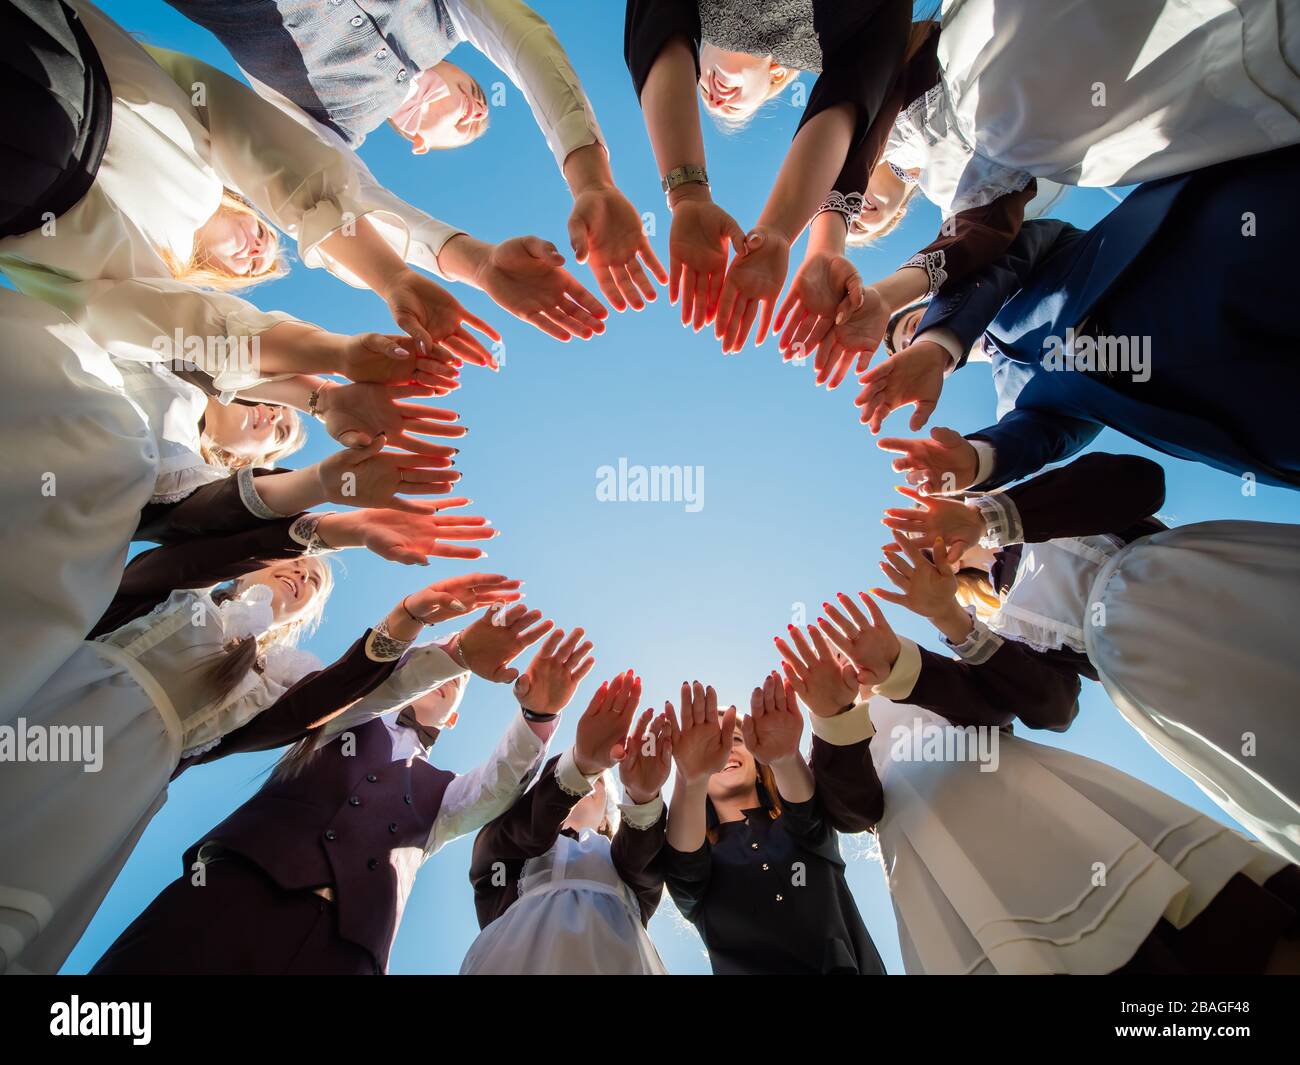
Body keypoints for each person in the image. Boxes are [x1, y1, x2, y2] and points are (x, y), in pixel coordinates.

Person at [0, 484, 516, 973]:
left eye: (313, 582)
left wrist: (414, 619)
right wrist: (334, 528)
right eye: (293, 564)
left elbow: (329, 696)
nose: (301, 576)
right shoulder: (182, 594)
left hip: (117, 794)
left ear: (309, 614)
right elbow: (187, 553)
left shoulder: (266, 685)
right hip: (39, 718)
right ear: (250, 569)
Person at [851, 452, 1300, 865]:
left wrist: (983, 517)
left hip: (1202, 580)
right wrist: (948, 617)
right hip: (1160, 677)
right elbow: (1053, 709)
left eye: (918, 519)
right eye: (915, 547)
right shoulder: (1007, 625)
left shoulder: (1036, 504)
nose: (924, 537)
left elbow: (1142, 482)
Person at [0, 0, 500, 371]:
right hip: (57, 49)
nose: (261, 247)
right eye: (269, 236)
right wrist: (401, 274)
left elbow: (197, 331)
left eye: (253, 266)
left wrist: (330, 370)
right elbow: (289, 168)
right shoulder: (208, 154)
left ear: (219, 278)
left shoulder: (159, 280)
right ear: (251, 203)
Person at [91, 604, 569, 975]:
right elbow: (370, 693)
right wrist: (455, 653)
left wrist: (538, 718)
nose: (451, 682)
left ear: (454, 719)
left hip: (346, 951)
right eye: (447, 668)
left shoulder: (444, 796)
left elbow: (499, 785)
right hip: (233, 896)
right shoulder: (339, 713)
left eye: (461, 682)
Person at [167, 0, 664, 319]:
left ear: (418, 144)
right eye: (478, 95)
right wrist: (591, 181)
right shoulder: (443, 15)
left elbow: (345, 199)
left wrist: (479, 263)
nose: (476, 108)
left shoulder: (322, 124)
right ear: (452, 65)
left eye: (467, 126)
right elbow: (525, 39)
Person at [851, 142, 1300, 489]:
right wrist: (975, 462)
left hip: (1221, 251)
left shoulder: (1011, 264)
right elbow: (1048, 439)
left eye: (911, 326)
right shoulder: (1017, 400)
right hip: (1250, 405)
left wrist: (935, 345)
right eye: (905, 346)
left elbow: (1002, 259)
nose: (911, 342)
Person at [861, 697, 1300, 974]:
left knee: (1212, 928)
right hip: (934, 855)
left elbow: (1015, 702)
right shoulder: (833, 754)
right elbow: (850, 806)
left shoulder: (918, 681)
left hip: (1036, 798)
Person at [624, 0, 912, 348]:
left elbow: (659, 19)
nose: (715, 99)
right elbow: (853, 93)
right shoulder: (844, 35)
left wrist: (686, 192)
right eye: (735, 106)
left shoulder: (706, 14)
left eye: (699, 86)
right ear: (776, 76)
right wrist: (780, 231)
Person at [660, 672, 885, 975]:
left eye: (736, 740)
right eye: (712, 745)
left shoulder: (801, 830)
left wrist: (784, 757)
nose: (725, 751)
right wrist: (690, 777)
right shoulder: (700, 862)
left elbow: (805, 811)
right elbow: (684, 865)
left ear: (756, 764)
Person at [462, 669, 672, 974]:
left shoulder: (625, 867)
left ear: (607, 813)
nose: (585, 789)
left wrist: (643, 794)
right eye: (581, 782)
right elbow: (519, 832)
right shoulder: (505, 852)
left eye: (597, 781)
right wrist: (584, 763)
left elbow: (643, 858)